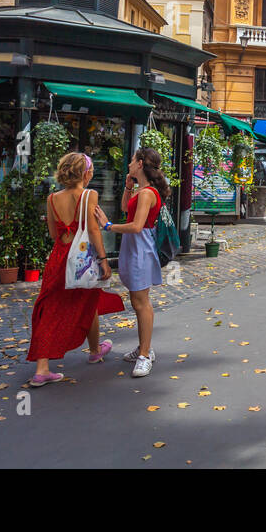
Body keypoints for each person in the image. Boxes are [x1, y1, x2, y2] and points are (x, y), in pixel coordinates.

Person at [27, 153, 123, 387]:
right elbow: (93, 230)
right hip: (83, 260)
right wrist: (103, 259)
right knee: (88, 298)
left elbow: (54, 234)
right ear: (86, 173)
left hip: (59, 258)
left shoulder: (52, 199)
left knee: (51, 307)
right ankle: (91, 352)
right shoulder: (90, 195)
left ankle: (46, 366)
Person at [110, 146, 168, 377]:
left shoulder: (147, 193)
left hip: (140, 247)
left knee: (141, 301)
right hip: (135, 247)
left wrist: (108, 226)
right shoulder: (140, 190)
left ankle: (145, 354)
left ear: (141, 164)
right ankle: (144, 347)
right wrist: (127, 187)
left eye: (133, 160)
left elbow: (136, 226)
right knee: (137, 300)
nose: (129, 164)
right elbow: (126, 209)